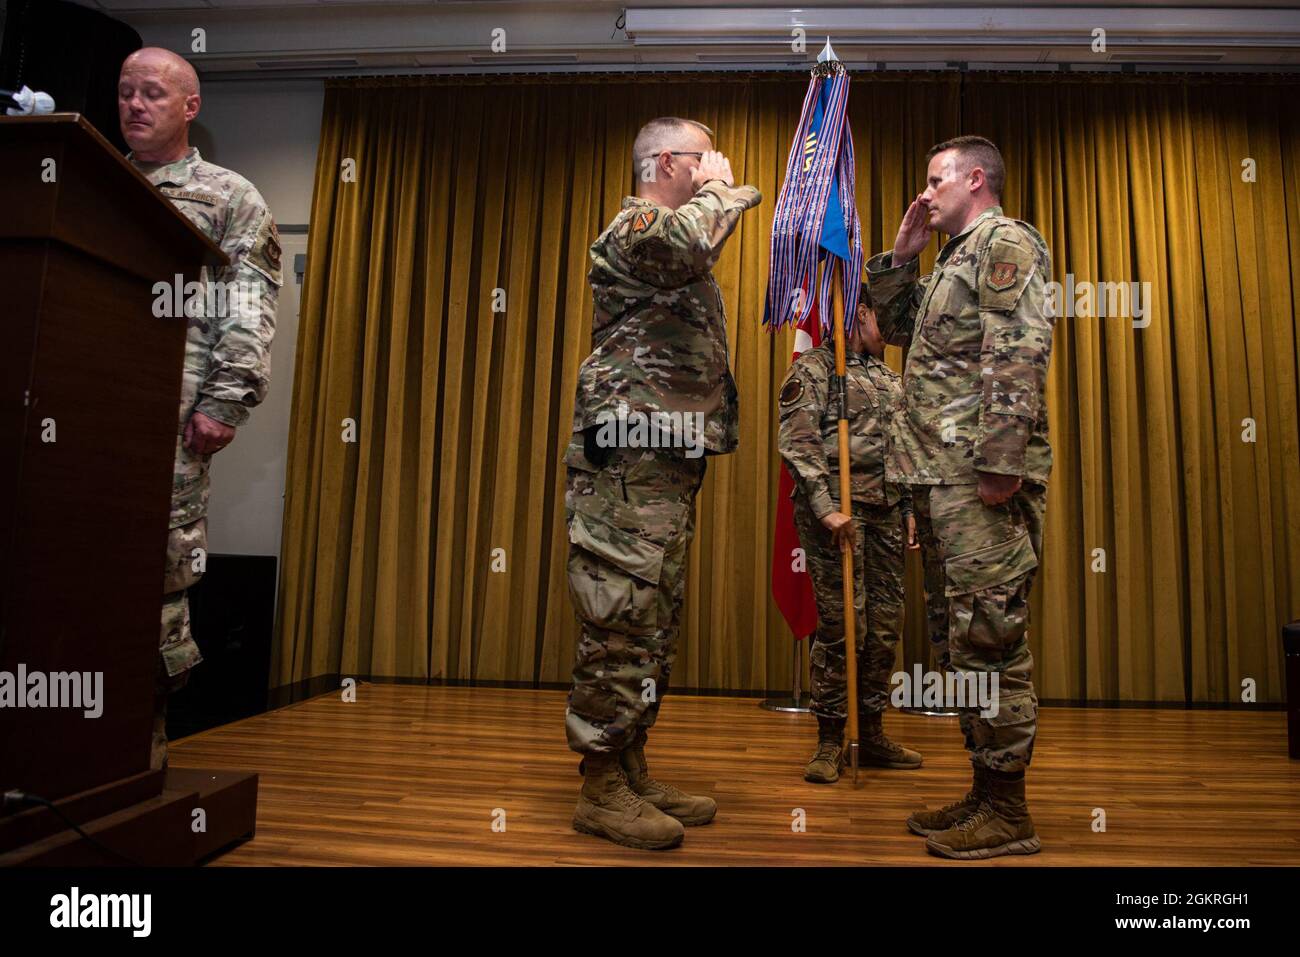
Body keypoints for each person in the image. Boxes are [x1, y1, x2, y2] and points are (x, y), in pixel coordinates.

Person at [564, 116, 760, 849]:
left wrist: (716, 202)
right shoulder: (639, 222)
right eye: (705, 157)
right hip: (628, 458)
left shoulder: (672, 244)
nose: (718, 166)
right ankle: (601, 785)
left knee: (653, 617)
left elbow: (690, 257)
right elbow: (682, 242)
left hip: (665, 454)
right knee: (620, 614)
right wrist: (725, 192)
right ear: (671, 162)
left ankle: (631, 761)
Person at [865, 135, 1054, 859]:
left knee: (991, 636)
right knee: (958, 640)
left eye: (935, 179)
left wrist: (1001, 460)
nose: (924, 193)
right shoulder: (952, 259)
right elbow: (903, 338)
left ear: (976, 179)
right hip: (942, 478)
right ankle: (985, 787)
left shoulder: (1005, 242)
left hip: (980, 480)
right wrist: (901, 256)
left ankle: (1010, 811)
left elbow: (1018, 349)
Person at [118, 47, 281, 768]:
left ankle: (140, 757)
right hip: (72, 410)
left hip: (169, 417)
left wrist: (224, 401)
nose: (134, 105)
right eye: (124, 92)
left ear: (190, 107)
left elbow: (249, 303)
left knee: (156, 580)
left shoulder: (227, 195)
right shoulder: (88, 175)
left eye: (152, 93)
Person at [777, 286, 923, 783]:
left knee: (884, 626)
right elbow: (797, 443)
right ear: (860, 312)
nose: (892, 331)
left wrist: (906, 508)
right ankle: (828, 740)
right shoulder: (816, 369)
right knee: (844, 627)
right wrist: (824, 508)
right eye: (885, 318)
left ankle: (873, 732)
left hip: (884, 514)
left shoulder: (889, 378)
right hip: (836, 518)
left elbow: (904, 450)